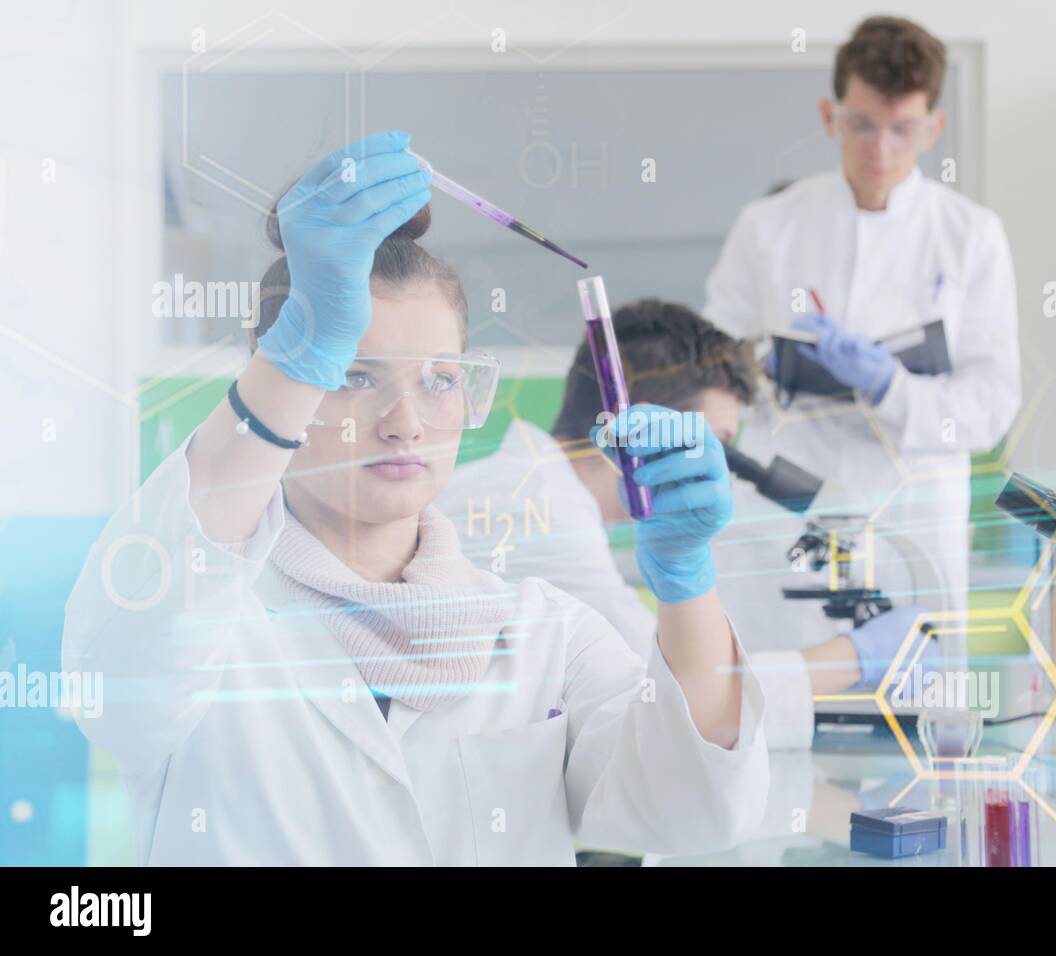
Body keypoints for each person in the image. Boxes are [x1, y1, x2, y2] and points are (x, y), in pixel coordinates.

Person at [62, 132, 768, 866]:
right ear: (290, 382)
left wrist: (690, 586)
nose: (405, 424)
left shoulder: (540, 631)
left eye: (438, 378)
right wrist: (298, 354)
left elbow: (695, 813)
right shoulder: (208, 616)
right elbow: (118, 679)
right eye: (356, 376)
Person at [439, 298, 931, 750]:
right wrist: (856, 657)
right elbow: (678, 695)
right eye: (712, 443)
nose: (720, 473)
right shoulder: (541, 514)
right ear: (648, 424)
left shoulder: (532, 483)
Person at [704, 16, 1021, 627]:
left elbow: (990, 407)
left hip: (913, 512)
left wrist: (891, 388)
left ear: (934, 127)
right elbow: (712, 368)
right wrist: (757, 363)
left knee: (912, 693)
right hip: (785, 507)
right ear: (830, 116)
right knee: (783, 696)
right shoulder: (768, 226)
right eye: (862, 125)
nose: (881, 150)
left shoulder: (972, 237)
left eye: (903, 129)